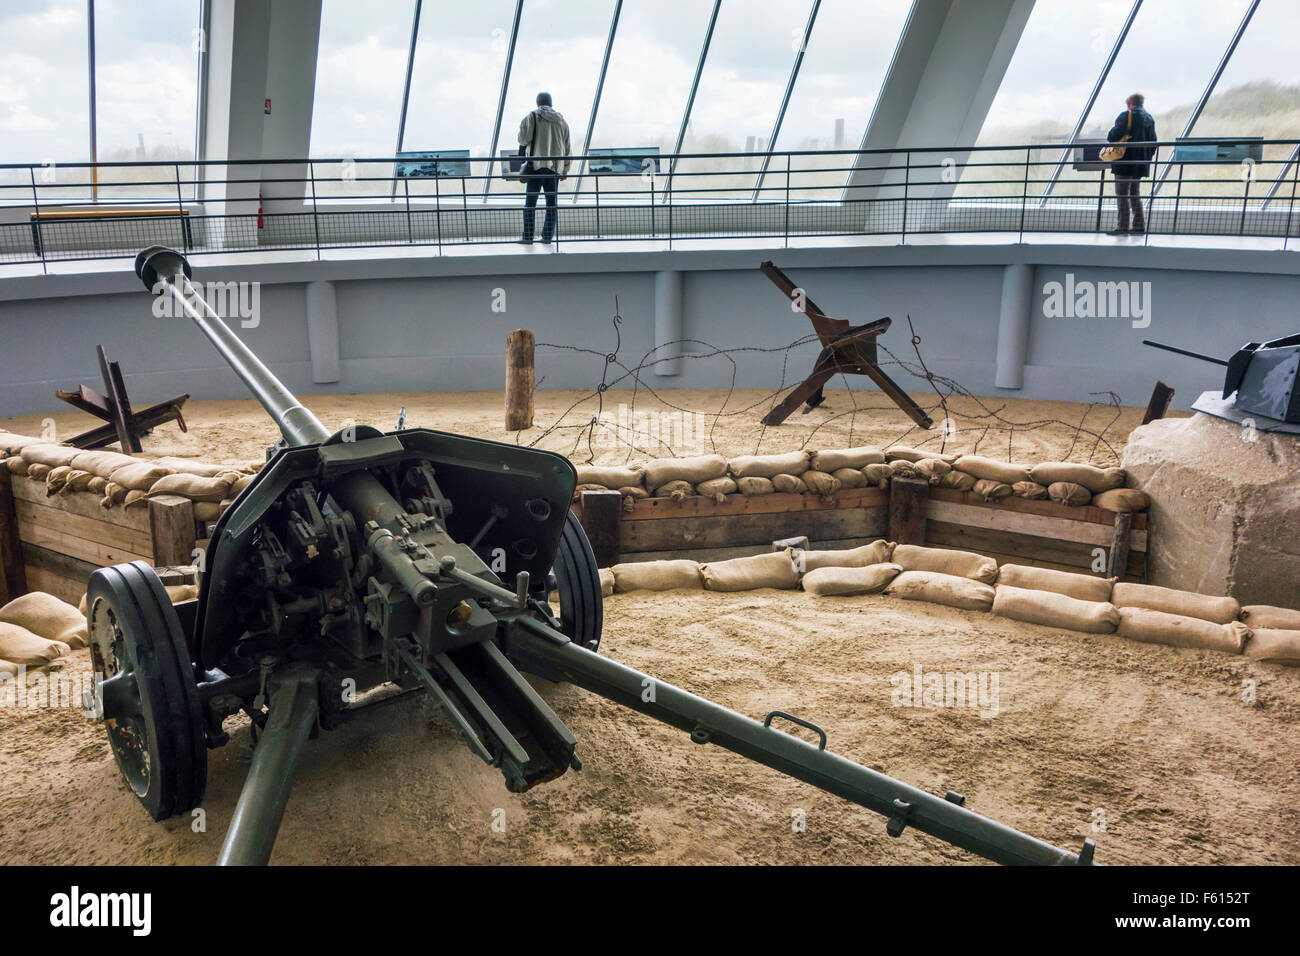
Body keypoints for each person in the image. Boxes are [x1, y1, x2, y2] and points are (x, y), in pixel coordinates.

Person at [517, 92, 571, 244]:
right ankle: (547, 236)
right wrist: (565, 170)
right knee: (551, 204)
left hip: (536, 166)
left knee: (530, 204)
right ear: (551, 103)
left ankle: (528, 236)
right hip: (555, 168)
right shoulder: (562, 121)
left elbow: (523, 139)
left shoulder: (532, 117)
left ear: (537, 103)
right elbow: (567, 148)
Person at [1106, 92, 1157, 236]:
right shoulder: (1149, 119)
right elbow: (1154, 142)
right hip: (1140, 164)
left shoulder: (1126, 116)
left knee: (1122, 194)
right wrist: (1145, 158)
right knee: (1135, 194)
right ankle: (1139, 226)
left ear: (1129, 104)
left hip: (1125, 162)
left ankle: (1123, 227)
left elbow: (1112, 136)